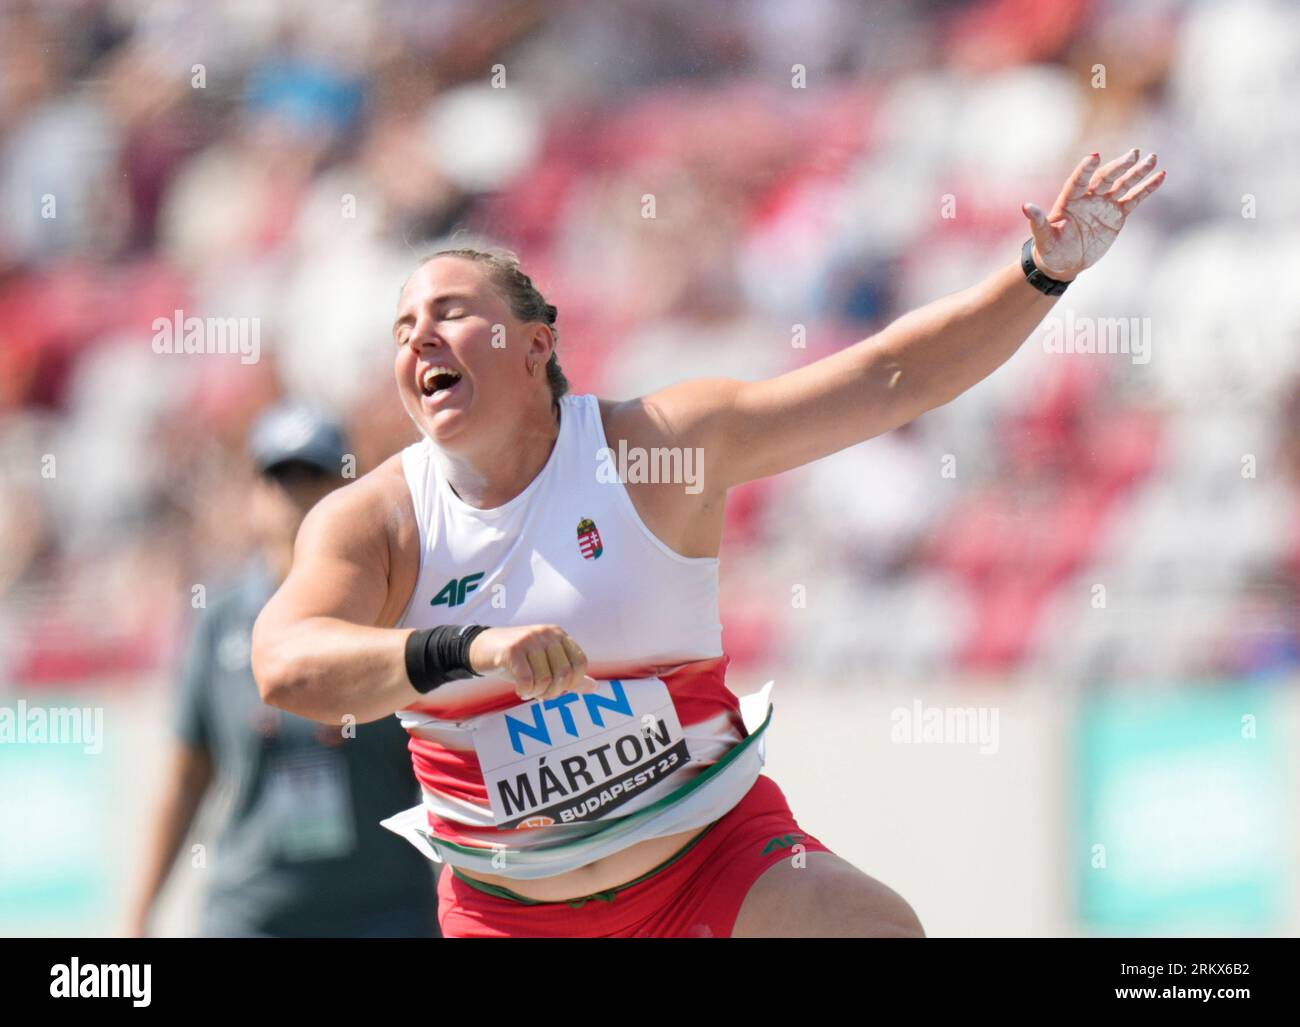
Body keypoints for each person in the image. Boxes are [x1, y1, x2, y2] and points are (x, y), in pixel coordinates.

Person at [251, 150, 1165, 937]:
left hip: (712, 862)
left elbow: (889, 378)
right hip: (510, 908)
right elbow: (285, 663)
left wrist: (1041, 275)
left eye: (449, 311)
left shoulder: (653, 448)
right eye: (404, 329)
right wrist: (468, 649)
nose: (421, 339)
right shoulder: (376, 517)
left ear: (536, 344)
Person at [129, 404, 441, 938]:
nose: (296, 497)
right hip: (254, 916)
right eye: (280, 478)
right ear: (253, 494)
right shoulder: (219, 620)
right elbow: (187, 776)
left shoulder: (397, 608)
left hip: (388, 914)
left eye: (315, 477)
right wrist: (139, 917)